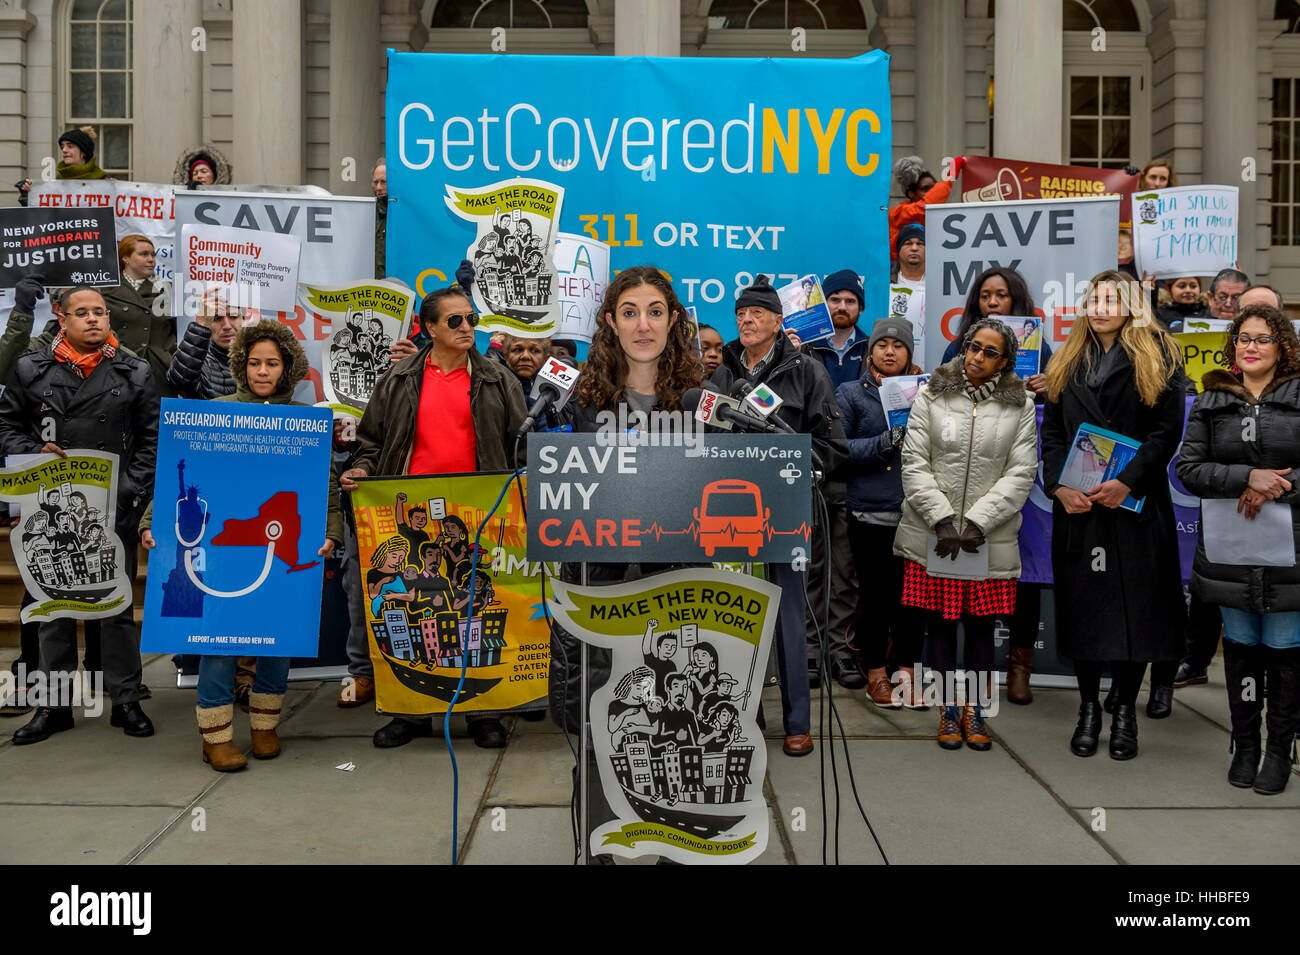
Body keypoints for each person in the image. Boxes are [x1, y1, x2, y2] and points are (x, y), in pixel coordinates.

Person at [141, 321, 340, 771]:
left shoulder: (305, 421)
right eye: (254, 363)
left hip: (282, 547)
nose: (262, 371)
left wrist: (331, 532)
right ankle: (216, 736)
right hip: (225, 548)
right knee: (220, 639)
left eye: (272, 363)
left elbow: (325, 484)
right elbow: (180, 470)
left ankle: (266, 726)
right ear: (241, 366)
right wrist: (153, 522)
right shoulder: (215, 411)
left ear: (287, 368)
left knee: (277, 637)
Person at [341, 285, 528, 749]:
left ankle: (484, 712)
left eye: (472, 320)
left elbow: (519, 446)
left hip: (478, 512)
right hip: (413, 515)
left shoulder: (497, 379)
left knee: (476, 607)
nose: (467, 328)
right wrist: (362, 469)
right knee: (419, 607)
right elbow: (371, 442)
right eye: (455, 322)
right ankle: (411, 713)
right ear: (429, 329)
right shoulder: (398, 378)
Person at [0, 286, 158, 743]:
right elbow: (6, 425)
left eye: (100, 312)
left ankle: (125, 702)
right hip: (47, 506)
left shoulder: (135, 371)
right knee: (52, 608)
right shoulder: (31, 369)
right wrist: (32, 452)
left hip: (112, 507)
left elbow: (151, 438)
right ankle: (54, 709)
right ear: (62, 319)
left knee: (116, 608)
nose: (93, 319)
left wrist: (130, 488)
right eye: (82, 313)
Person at [1042, 270, 1187, 761]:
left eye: (1112, 299)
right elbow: (1055, 435)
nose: (1101, 307)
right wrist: (1059, 486)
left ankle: (1125, 709)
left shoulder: (1161, 354)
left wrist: (1128, 481)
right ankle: (1088, 708)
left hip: (1135, 505)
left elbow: (1165, 434)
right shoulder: (1067, 358)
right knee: (1086, 610)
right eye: (1094, 299)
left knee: (1137, 613)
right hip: (1081, 506)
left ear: (1131, 304)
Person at [709, 274, 849, 756]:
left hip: (785, 512)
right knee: (727, 618)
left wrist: (795, 458)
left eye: (757, 313)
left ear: (777, 321)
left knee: (790, 617)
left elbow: (833, 446)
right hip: (726, 513)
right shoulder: (721, 371)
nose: (746, 320)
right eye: (741, 313)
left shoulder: (806, 371)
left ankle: (796, 722)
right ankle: (734, 721)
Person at [894, 318, 1037, 749]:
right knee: (938, 626)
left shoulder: (1021, 405)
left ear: (1006, 360)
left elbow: (1022, 470)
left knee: (979, 628)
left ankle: (974, 711)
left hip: (986, 537)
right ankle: (947, 712)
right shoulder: (932, 394)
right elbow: (915, 461)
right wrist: (941, 519)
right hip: (934, 534)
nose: (977, 357)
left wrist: (978, 523)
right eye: (973, 347)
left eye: (989, 352)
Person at [1175, 305, 1300, 794]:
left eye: (1262, 339)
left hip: (1290, 552)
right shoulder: (1211, 400)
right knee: (1243, 652)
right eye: (1243, 339)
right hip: (1231, 550)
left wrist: (1276, 487)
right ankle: (1245, 746)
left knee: (1286, 651)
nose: (1250, 347)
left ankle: (1278, 750)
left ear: (1282, 347)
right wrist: (1244, 477)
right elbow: (1188, 469)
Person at [837, 316, 928, 708]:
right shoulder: (850, 394)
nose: (889, 351)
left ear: (909, 353)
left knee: (913, 598)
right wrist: (884, 442)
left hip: (916, 511)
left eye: (898, 345)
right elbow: (840, 450)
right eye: (882, 345)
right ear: (871, 351)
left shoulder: (927, 394)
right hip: (869, 514)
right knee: (874, 597)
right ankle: (876, 673)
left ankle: (906, 672)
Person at [799, 269, 869, 689]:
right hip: (810, 471)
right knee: (809, 565)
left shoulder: (873, 347)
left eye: (850, 300)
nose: (842, 307)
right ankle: (809, 652)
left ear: (860, 307)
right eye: (835, 299)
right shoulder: (805, 346)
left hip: (856, 475)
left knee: (846, 572)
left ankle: (841, 652)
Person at [103, 235, 176, 395]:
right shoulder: (105, 290)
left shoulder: (168, 290)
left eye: (153, 255)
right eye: (144, 254)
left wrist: (168, 356)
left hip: (157, 371)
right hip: (116, 367)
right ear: (125, 258)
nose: (151, 259)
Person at [167, 291, 243, 399]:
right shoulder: (200, 361)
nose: (227, 326)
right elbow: (180, 381)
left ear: (243, 319)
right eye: (216, 318)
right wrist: (202, 325)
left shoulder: (261, 357)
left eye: (233, 316)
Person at [14, 127, 105, 204]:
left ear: (84, 152)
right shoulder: (57, 182)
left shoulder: (103, 180)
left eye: (70, 146)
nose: (64, 150)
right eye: (62, 146)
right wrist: (29, 195)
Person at [889, 155, 954, 260]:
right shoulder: (898, 213)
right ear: (911, 193)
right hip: (899, 271)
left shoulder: (939, 215)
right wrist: (950, 179)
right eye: (925, 189)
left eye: (933, 188)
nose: (931, 193)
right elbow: (925, 206)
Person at [889, 223, 926, 354]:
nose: (914, 248)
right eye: (908, 243)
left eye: (920, 243)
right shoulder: (885, 281)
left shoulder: (939, 282)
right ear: (899, 249)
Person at [372, 158, 387, 277]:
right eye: (376, 182)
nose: (378, 188)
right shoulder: (369, 212)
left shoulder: (405, 213)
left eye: (383, 182)